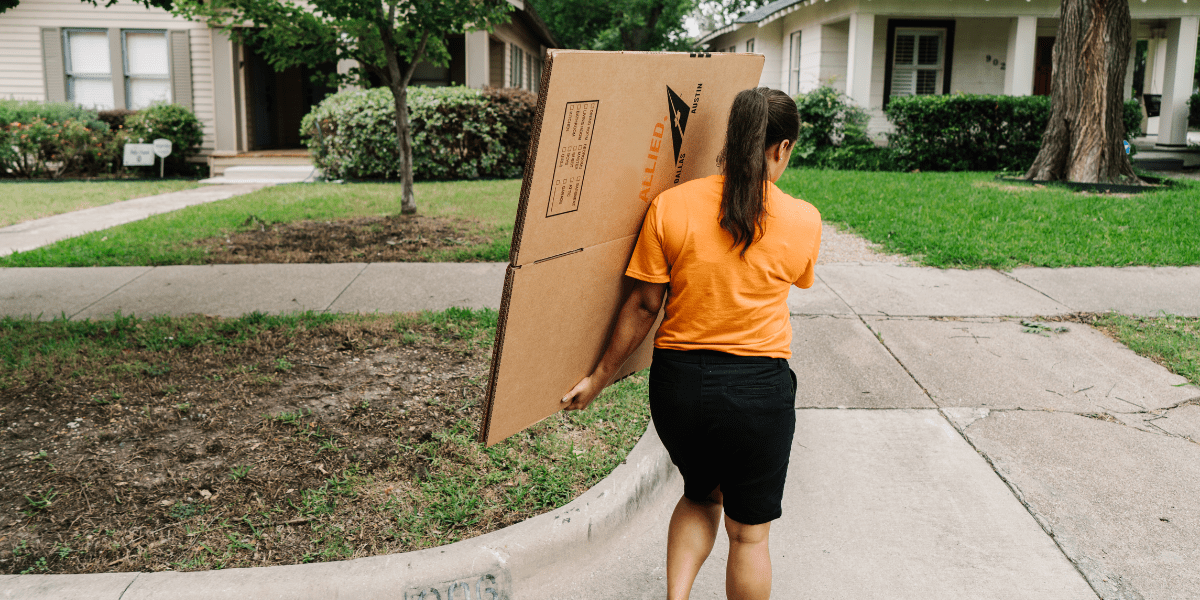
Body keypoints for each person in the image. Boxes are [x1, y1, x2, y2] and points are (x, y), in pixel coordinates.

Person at [560, 86, 822, 600]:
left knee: (701, 496)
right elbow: (795, 276)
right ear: (781, 148)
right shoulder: (803, 220)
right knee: (748, 535)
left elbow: (642, 307)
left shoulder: (671, 206)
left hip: (681, 390)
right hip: (757, 393)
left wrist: (598, 378)